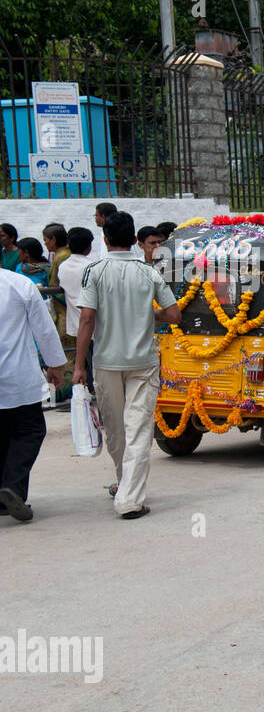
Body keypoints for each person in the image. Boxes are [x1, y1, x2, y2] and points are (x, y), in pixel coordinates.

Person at [73, 211, 180, 519]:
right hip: (144, 363)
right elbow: (173, 315)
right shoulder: (150, 273)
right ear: (135, 240)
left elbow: (87, 319)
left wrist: (79, 365)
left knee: (117, 430)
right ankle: (129, 496)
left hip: (106, 362)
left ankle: (125, 488)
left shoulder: (94, 271)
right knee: (139, 429)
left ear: (105, 240)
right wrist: (152, 314)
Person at [0, 263, 66, 521]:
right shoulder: (19, 284)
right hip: (17, 376)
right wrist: (55, 365)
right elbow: (44, 329)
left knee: (3, 433)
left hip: (17, 379)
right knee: (30, 430)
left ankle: (5, 498)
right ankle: (12, 487)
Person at [58, 227, 95, 393]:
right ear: (89, 247)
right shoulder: (92, 266)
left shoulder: (63, 266)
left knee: (87, 361)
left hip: (77, 324)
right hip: (95, 323)